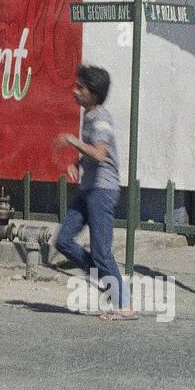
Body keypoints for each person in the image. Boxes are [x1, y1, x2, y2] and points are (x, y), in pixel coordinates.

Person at [51, 64, 136, 321]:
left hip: (103, 191)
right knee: (63, 240)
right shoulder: (88, 115)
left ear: (94, 94)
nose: (75, 90)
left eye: (81, 88)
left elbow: (100, 153)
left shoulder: (100, 119)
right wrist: (77, 163)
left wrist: (72, 141)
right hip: (88, 189)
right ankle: (105, 279)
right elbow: (93, 154)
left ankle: (124, 305)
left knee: (101, 251)